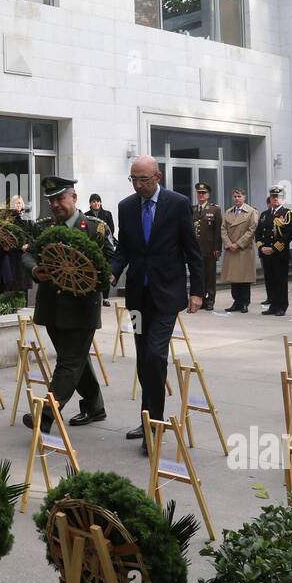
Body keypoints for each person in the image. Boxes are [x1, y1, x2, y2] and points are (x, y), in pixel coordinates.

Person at [110, 156, 205, 454]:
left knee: (155, 355)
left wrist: (197, 291)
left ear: (158, 176)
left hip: (167, 296)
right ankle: (147, 416)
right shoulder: (126, 207)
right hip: (137, 298)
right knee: (142, 359)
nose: (139, 186)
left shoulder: (177, 204)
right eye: (134, 180)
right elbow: (123, 249)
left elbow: (192, 250)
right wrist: (111, 273)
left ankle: (155, 425)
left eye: (144, 180)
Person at [20, 177, 115, 431]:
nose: (55, 204)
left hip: (84, 308)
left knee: (69, 361)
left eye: (60, 198)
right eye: (51, 200)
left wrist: (100, 280)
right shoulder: (43, 227)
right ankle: (95, 406)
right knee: (74, 359)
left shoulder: (96, 228)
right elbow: (28, 254)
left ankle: (47, 415)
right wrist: (35, 269)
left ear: (74, 197)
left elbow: (111, 260)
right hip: (52, 306)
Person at [219, 187, 258, 313]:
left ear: (244, 197)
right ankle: (236, 302)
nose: (237, 199)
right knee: (234, 278)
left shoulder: (251, 212)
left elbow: (251, 230)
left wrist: (238, 244)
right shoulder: (228, 212)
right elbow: (223, 229)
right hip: (231, 249)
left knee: (244, 279)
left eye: (239, 196)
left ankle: (244, 303)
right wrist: (229, 244)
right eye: (235, 196)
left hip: (243, 249)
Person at [256, 187, 292, 316]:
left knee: (280, 281)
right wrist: (261, 247)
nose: (275, 199)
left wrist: (273, 248)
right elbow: (258, 233)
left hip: (279, 254)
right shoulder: (264, 214)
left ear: (282, 199)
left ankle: (281, 306)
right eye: (273, 197)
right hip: (266, 254)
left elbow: (287, 235)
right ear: (270, 199)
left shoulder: (287, 214)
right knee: (270, 281)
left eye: (278, 197)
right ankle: (272, 305)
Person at [191, 183, 222, 311]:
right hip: (195, 249)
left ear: (208, 195)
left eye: (203, 193)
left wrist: (217, 248)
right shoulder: (192, 209)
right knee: (199, 275)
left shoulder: (214, 209)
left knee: (210, 276)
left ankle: (210, 300)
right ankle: (201, 299)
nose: (201, 195)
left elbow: (217, 231)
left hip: (209, 248)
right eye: (199, 193)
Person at [86, 193, 115, 305]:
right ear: (90, 203)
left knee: (105, 271)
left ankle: (105, 298)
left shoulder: (107, 214)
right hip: (92, 247)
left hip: (105, 248)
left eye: (98, 201)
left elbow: (111, 230)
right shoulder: (86, 215)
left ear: (101, 202)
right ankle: (93, 297)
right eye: (93, 201)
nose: (96, 203)